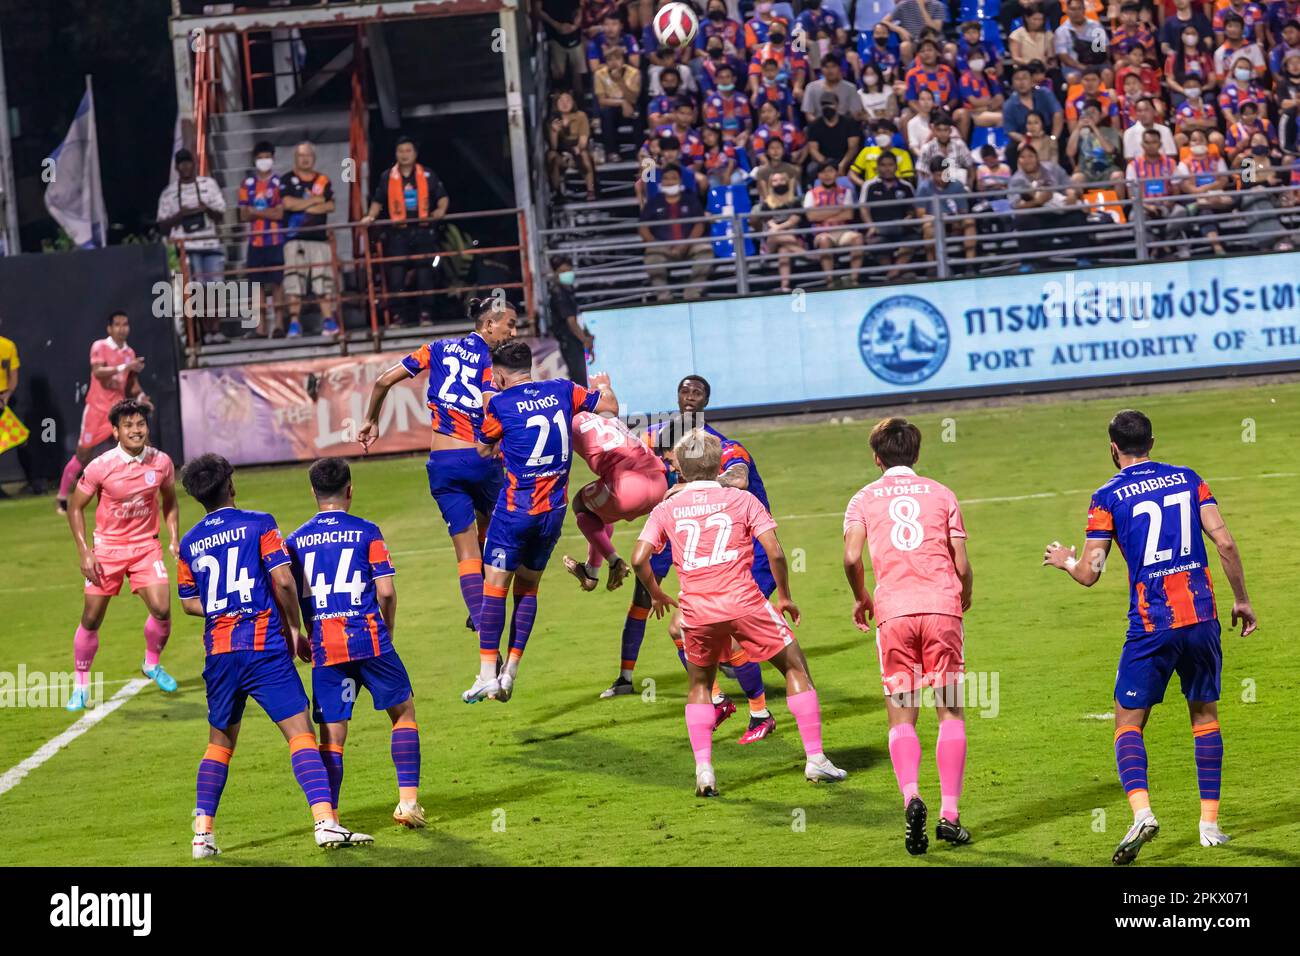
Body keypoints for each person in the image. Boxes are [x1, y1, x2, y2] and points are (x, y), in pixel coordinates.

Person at [1042, 410, 1257, 864]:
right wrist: (1242, 599)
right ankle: (1210, 826)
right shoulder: (1188, 478)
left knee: (1128, 722)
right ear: (1152, 442)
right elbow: (1226, 543)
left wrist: (1064, 559)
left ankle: (1142, 814)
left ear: (1113, 449)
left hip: (1152, 626)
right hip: (1201, 618)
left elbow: (1089, 574)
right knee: (1204, 716)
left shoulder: (1106, 497)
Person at [633, 429, 847, 797]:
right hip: (745, 601)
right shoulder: (742, 500)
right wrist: (785, 597)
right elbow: (776, 553)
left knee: (699, 686)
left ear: (680, 471)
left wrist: (656, 594)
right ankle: (815, 758)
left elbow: (639, 558)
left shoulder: (666, 507)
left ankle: (704, 771)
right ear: (719, 465)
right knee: (795, 667)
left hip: (697, 610)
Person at [177, 453, 373, 857]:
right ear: (230, 485)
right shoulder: (259, 523)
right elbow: (284, 581)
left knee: (219, 744)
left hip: (219, 652)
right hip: (263, 646)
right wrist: (295, 628)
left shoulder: (189, 542)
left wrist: (221, 606)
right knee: (300, 733)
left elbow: (188, 602)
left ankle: (202, 834)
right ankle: (325, 822)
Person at [605, 376, 778, 746]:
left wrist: (688, 487)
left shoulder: (723, 446)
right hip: (704, 548)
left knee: (731, 637)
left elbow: (739, 477)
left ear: (707, 400)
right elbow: (623, 437)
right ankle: (725, 700)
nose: (689, 397)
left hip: (751, 554)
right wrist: (608, 409)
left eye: (696, 392)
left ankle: (758, 708)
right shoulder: (666, 435)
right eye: (684, 391)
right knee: (682, 629)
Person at [461, 340, 619, 704]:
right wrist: (603, 385)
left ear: (499, 375)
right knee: (528, 590)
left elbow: (483, 449)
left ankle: (487, 675)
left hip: (516, 510)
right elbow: (608, 406)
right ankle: (510, 673)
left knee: (495, 589)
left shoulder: (500, 403)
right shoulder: (563, 389)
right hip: (553, 512)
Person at [843, 417, 973, 855]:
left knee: (902, 714)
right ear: (916, 455)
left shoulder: (862, 498)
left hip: (894, 612)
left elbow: (850, 556)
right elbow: (962, 562)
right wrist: (963, 595)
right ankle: (950, 817)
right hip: (941, 607)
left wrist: (862, 596)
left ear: (877, 458)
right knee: (950, 711)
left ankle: (912, 796)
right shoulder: (941, 493)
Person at [357, 297, 518, 633]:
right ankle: (489, 605)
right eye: (510, 325)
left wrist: (371, 420)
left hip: (443, 462)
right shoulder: (496, 361)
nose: (514, 332)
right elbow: (496, 409)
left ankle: (480, 620)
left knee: (465, 550)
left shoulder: (437, 348)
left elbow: (384, 380)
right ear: (489, 325)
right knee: (496, 533)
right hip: (482, 458)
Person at [285, 457, 425, 830]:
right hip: (370, 639)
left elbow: (288, 592)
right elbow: (387, 592)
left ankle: (329, 818)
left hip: (325, 646)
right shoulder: (367, 531)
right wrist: (388, 629)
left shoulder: (295, 541)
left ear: (313, 492)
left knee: (333, 735)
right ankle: (408, 802)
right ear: (350, 489)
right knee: (403, 713)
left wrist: (297, 632)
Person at [63, 399, 179, 712]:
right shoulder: (100, 466)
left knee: (162, 609)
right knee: (91, 617)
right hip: (108, 550)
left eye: (140, 424)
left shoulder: (162, 463)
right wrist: (84, 551)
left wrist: (173, 538)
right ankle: (81, 685)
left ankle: (151, 664)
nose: (136, 430)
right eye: (128, 426)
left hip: (145, 546)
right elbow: (75, 507)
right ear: (116, 431)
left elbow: (170, 501)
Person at [562, 409, 668, 591]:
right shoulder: (607, 416)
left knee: (580, 505)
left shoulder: (564, 420)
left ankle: (614, 562)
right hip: (659, 483)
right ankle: (591, 571)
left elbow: (559, 463)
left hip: (628, 488)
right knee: (599, 515)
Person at [56, 311, 150, 514]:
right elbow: (98, 372)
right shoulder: (100, 346)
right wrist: (125, 366)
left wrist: (142, 397)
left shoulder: (129, 352)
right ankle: (62, 496)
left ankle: (143, 492)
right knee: (82, 455)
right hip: (97, 410)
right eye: (117, 324)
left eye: (125, 324)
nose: (121, 328)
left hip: (118, 411)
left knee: (138, 445)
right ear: (109, 328)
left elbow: (132, 384)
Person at [361, 136, 450, 327]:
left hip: (422, 230)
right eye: (401, 151)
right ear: (396, 154)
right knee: (396, 275)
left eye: (408, 151)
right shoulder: (387, 176)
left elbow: (442, 197)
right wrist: (370, 216)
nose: (404, 155)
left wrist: (440, 211)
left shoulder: (427, 174)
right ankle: (398, 316)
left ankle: (425, 314)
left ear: (415, 153)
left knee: (425, 272)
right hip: (398, 232)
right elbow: (378, 200)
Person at [156, 148, 228, 345]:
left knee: (216, 289)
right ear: (177, 167)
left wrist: (205, 208)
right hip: (187, 248)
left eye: (188, 162)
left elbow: (221, 214)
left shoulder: (209, 185)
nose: (185, 166)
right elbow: (161, 225)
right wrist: (181, 215)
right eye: (181, 163)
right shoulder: (169, 193)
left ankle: (217, 330)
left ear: (194, 164)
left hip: (210, 243)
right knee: (197, 292)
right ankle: (205, 332)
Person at [280, 142, 339, 339]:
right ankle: (294, 324)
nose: (305, 159)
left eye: (308, 155)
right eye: (301, 155)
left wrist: (303, 206)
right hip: (294, 239)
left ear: (313, 157)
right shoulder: (287, 179)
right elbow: (288, 203)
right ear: (295, 158)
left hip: (319, 239)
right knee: (294, 281)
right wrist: (315, 201)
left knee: (323, 282)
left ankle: (329, 321)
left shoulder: (323, 180)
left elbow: (330, 206)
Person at [638, 165, 714, 302]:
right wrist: (653, 242)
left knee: (706, 252)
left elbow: (699, 224)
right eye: (666, 179)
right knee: (652, 258)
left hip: (689, 243)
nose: (670, 182)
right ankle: (664, 297)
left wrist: (685, 244)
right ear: (661, 182)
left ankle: (692, 293)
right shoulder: (654, 202)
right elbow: (643, 227)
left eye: (674, 178)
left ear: (680, 181)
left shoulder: (691, 199)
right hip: (662, 245)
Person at [238, 141, 286, 338]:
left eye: (267, 157)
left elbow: (280, 214)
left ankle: (279, 326)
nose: (264, 161)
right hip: (255, 243)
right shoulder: (246, 184)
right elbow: (243, 215)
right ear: (254, 160)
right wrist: (268, 212)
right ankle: (260, 328)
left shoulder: (279, 183)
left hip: (275, 241)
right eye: (260, 157)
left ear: (273, 159)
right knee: (256, 285)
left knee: (277, 283)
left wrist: (256, 211)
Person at [1127, 129, 1191, 258]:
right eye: (1147, 142)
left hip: (1166, 204)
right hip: (1144, 206)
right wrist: (1147, 206)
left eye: (1154, 142)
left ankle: (1161, 244)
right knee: (1135, 217)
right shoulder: (1133, 166)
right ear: (1142, 145)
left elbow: (1176, 190)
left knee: (1181, 212)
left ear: (1160, 144)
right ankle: (1157, 246)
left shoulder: (1170, 163)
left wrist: (1169, 203)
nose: (1150, 146)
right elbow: (1132, 195)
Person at [804, 160, 863, 287]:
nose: (827, 175)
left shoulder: (845, 191)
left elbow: (848, 215)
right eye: (823, 172)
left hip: (842, 232)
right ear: (818, 176)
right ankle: (830, 281)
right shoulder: (811, 194)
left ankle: (853, 279)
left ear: (836, 173)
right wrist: (837, 209)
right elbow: (811, 216)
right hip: (822, 233)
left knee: (857, 238)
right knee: (825, 241)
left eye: (830, 171)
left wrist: (823, 214)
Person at [861, 150, 916, 279]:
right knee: (874, 243)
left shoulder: (906, 186)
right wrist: (870, 226)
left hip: (902, 228)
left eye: (890, 165)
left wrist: (909, 218)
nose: (887, 168)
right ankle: (896, 273)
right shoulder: (869, 186)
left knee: (915, 239)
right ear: (878, 167)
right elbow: (864, 208)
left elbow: (912, 209)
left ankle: (892, 273)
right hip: (879, 229)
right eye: (883, 165)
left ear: (896, 167)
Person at [752, 169, 805, 291]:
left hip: (791, 237)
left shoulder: (795, 201)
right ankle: (808, 255)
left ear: (787, 182)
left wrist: (778, 228)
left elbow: (794, 220)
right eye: (775, 181)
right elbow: (769, 222)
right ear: (771, 184)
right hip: (772, 242)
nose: (779, 183)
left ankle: (785, 286)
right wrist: (777, 229)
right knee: (774, 235)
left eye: (782, 180)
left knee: (784, 250)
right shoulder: (766, 204)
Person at [546, 255, 594, 386]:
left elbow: (577, 319)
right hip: (570, 341)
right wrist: (585, 340)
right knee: (579, 379)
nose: (566, 274)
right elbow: (571, 322)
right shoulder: (559, 293)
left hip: (575, 341)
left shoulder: (567, 292)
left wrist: (586, 337)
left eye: (568, 270)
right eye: (562, 272)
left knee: (582, 377)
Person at [593, 44, 644, 161]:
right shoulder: (599, 74)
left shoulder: (634, 73)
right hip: (612, 106)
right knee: (606, 113)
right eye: (610, 60)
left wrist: (620, 81)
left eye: (617, 58)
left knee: (637, 111)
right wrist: (621, 103)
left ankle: (640, 150)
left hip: (630, 105)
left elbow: (633, 99)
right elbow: (601, 100)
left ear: (623, 60)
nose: (614, 62)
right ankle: (612, 152)